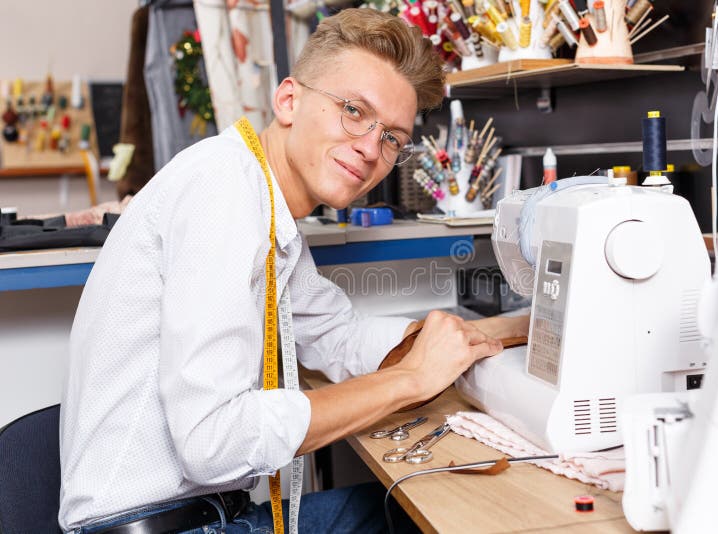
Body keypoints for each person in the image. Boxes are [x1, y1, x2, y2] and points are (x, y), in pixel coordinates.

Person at [59, 8, 528, 534]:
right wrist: (410, 378)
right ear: (288, 100)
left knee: (416, 505)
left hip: (204, 515)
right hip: (160, 526)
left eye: (392, 137)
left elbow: (339, 337)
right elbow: (213, 443)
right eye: (353, 111)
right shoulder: (223, 193)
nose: (371, 149)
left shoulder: (261, 195)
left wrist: (489, 333)